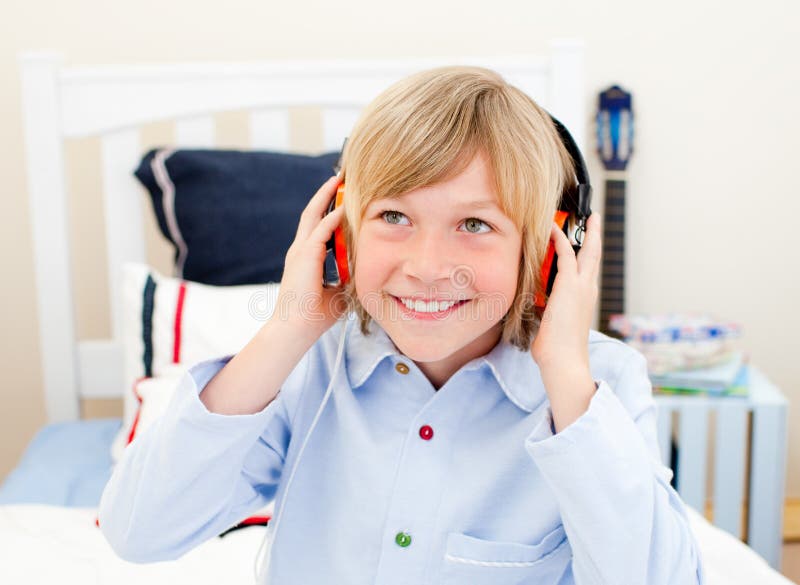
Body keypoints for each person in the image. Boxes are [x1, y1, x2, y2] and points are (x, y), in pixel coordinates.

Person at [98, 66, 705, 584]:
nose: (427, 268)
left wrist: (569, 380)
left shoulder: (602, 386)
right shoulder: (307, 369)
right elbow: (139, 533)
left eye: (475, 225)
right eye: (393, 215)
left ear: (550, 251)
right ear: (342, 229)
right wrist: (286, 328)